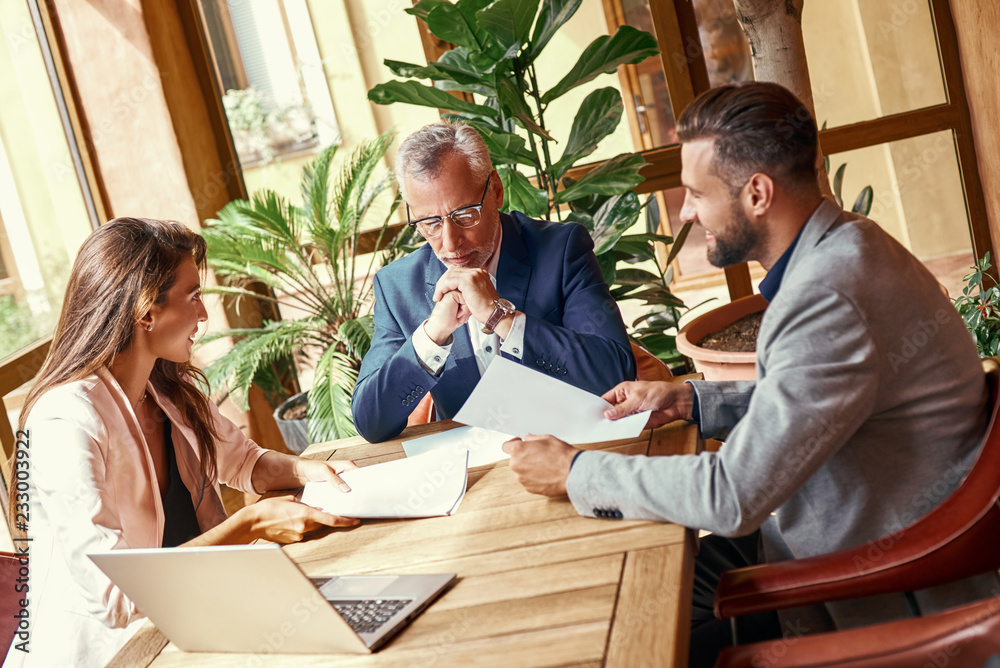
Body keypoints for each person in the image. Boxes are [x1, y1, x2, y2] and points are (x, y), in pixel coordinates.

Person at [501, 82, 999, 665]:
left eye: (695, 193)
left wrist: (576, 470)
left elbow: (731, 495)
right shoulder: (849, 243)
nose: (686, 211)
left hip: (872, 582)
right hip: (820, 535)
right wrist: (696, 401)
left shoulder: (827, 294)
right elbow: (821, 397)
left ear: (758, 193)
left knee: (609, 641)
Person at [13, 218, 359, 668]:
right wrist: (249, 525)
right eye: (193, 296)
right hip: (122, 655)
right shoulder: (66, 420)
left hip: (200, 625)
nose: (203, 315)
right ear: (145, 311)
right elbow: (113, 595)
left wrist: (312, 470)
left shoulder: (163, 388)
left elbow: (245, 462)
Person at [351, 121, 636, 443]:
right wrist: (432, 336)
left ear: (496, 191)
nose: (450, 243)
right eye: (429, 222)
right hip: (475, 471)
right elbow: (370, 422)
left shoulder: (562, 249)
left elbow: (614, 375)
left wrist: (500, 316)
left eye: (465, 215)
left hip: (573, 447)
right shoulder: (398, 286)